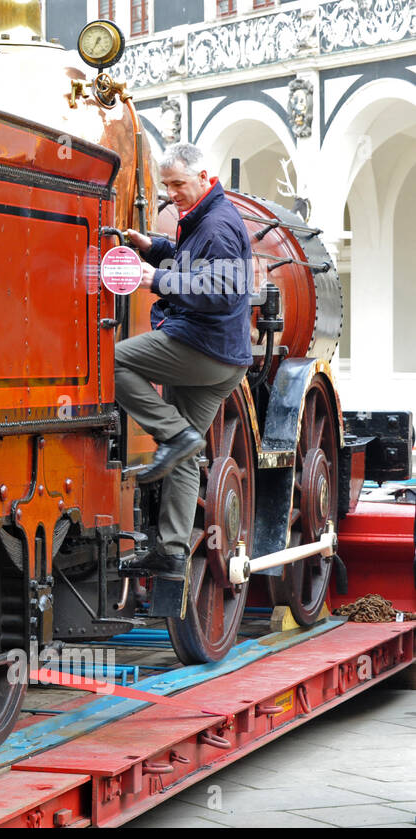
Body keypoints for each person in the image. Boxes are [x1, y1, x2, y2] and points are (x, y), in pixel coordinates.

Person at [115, 143, 253, 580]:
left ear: (203, 177)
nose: (172, 193)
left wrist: (157, 278)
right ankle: (173, 551)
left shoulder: (216, 224)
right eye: (167, 185)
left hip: (203, 348)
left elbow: (221, 291)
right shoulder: (202, 217)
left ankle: (174, 435)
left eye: (178, 184)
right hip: (220, 356)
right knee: (187, 458)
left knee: (111, 363)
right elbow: (193, 267)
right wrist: (153, 247)